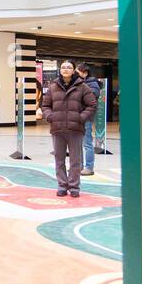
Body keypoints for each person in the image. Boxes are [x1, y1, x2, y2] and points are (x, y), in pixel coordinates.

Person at [42, 59, 97, 198]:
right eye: (63, 67)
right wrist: (50, 117)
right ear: (60, 70)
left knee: (75, 160)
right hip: (57, 128)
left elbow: (92, 105)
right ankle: (61, 185)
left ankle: (74, 187)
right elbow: (45, 105)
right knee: (59, 159)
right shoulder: (53, 86)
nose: (65, 69)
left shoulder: (82, 86)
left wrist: (81, 118)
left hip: (75, 129)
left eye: (69, 67)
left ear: (73, 70)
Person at [76, 62, 101, 176]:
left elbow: (92, 96)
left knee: (87, 143)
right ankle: (79, 166)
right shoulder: (79, 82)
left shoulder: (92, 83)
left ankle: (89, 167)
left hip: (86, 117)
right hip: (77, 116)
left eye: (78, 72)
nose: (76, 74)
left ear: (84, 73)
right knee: (78, 143)